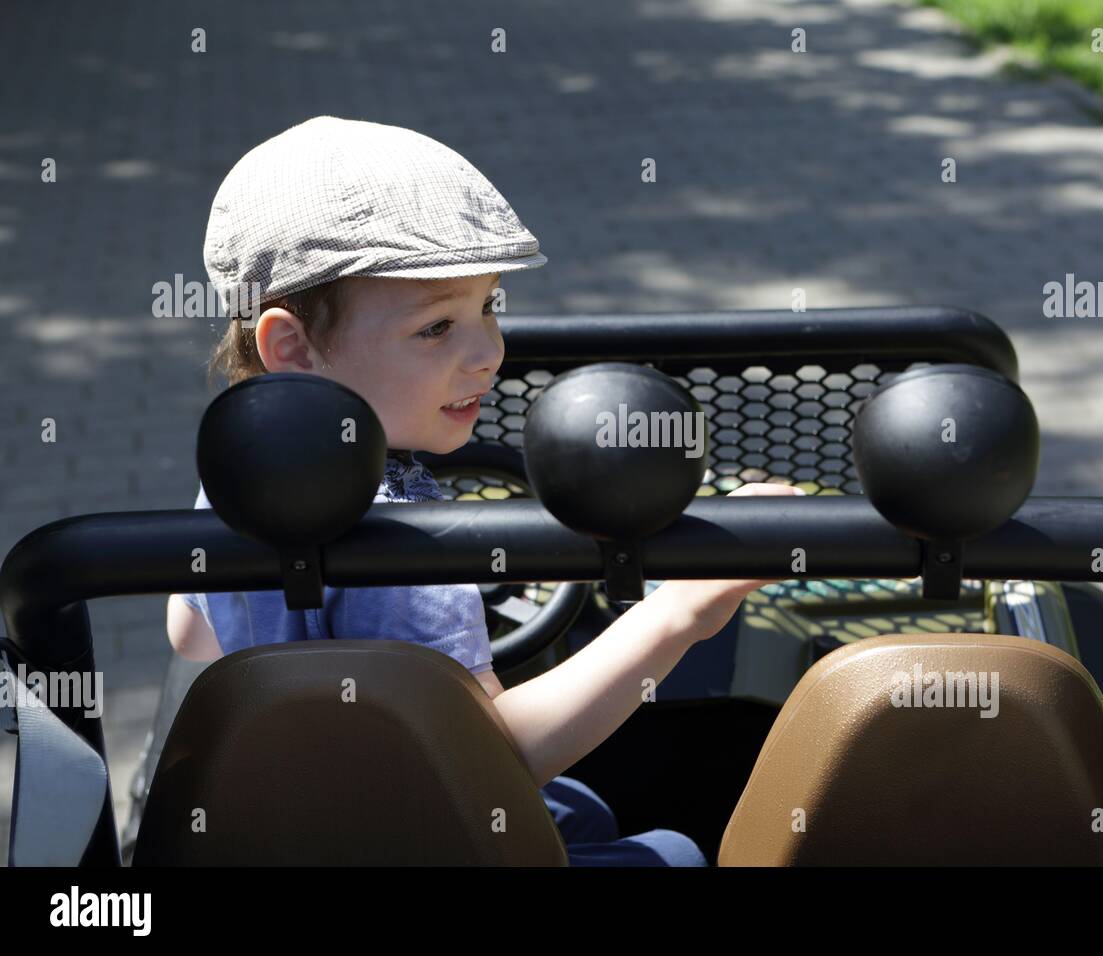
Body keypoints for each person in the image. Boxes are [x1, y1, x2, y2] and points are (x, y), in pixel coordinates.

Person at [167, 116, 801, 866]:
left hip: (302, 829)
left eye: (490, 307)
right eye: (437, 328)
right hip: (436, 833)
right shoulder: (397, 546)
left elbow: (191, 632)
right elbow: (497, 763)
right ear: (293, 347)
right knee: (675, 850)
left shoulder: (239, 477)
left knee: (586, 810)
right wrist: (688, 607)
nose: (489, 353)